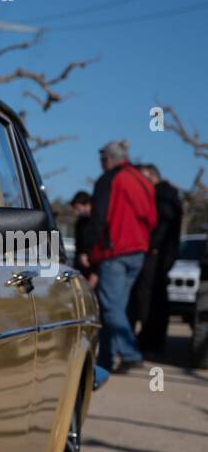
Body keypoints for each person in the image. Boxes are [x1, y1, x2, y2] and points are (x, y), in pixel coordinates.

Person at [81, 140, 156, 372]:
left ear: (108, 159)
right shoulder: (143, 180)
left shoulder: (110, 179)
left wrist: (87, 248)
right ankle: (105, 358)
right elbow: (152, 218)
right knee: (116, 307)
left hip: (115, 252)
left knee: (110, 306)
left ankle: (130, 353)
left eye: (102, 159)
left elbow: (99, 217)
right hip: (138, 251)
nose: (101, 164)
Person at [133, 163, 183, 355]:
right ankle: (153, 337)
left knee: (150, 295)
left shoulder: (163, 194)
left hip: (158, 253)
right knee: (157, 296)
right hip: (164, 253)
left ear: (153, 177)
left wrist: (153, 245)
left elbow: (164, 220)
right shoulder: (169, 193)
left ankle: (149, 337)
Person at [69, 191, 92, 275]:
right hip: (81, 266)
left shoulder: (97, 223)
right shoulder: (80, 223)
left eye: (77, 208)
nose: (76, 212)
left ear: (87, 205)